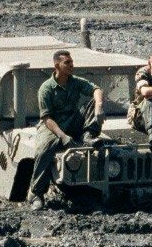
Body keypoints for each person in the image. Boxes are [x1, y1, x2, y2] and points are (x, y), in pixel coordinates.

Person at [27, 50, 104, 210]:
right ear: (57, 65)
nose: (71, 65)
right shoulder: (46, 88)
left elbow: (96, 89)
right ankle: (36, 193)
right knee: (44, 150)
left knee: (91, 103)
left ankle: (88, 136)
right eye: (67, 63)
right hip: (52, 125)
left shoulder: (75, 82)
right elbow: (46, 118)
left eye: (72, 62)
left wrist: (99, 105)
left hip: (72, 121)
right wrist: (62, 136)